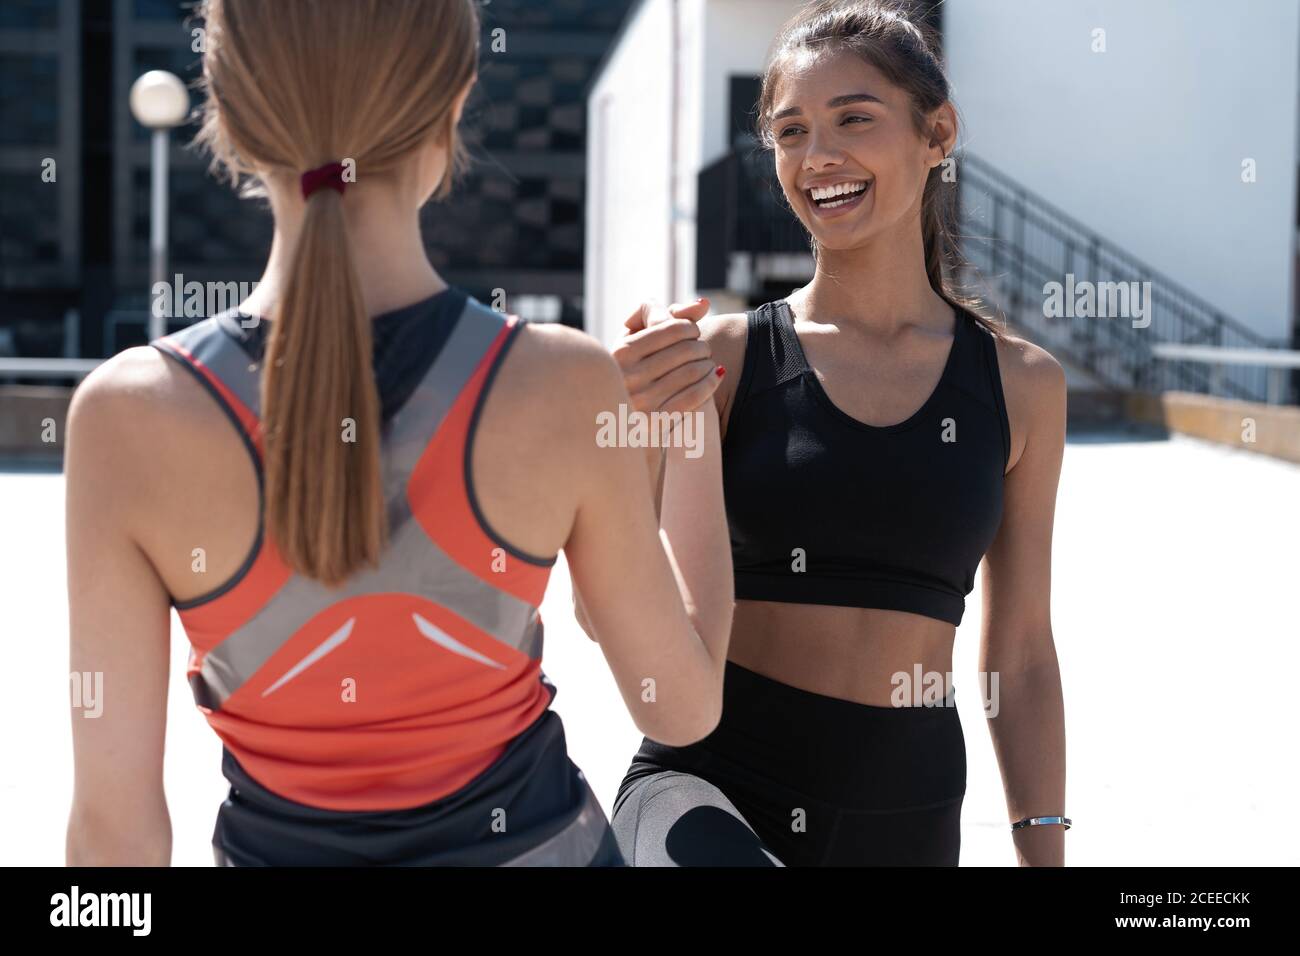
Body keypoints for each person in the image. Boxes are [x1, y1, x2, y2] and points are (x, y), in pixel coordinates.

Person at [64, 0, 732, 867]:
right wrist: (685, 424)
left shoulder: (127, 415)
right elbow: (679, 708)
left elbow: (114, 836)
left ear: (223, 110)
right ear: (455, 103)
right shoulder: (561, 384)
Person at [604, 0, 1069, 866]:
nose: (818, 156)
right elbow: (623, 607)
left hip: (912, 810)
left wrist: (1045, 850)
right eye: (790, 131)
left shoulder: (1023, 386)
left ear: (938, 134)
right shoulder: (722, 359)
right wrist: (622, 439)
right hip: (712, 788)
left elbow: (1022, 653)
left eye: (854, 118)